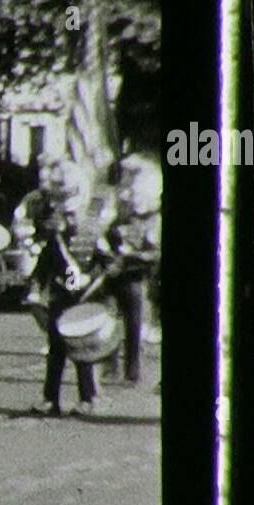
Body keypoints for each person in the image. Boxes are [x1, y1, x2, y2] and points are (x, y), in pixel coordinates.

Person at [27, 204, 99, 418]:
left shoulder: (92, 240)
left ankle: (87, 399)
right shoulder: (54, 241)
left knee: (82, 352)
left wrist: (91, 278)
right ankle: (51, 400)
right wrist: (34, 291)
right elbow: (41, 269)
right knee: (55, 353)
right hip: (60, 301)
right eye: (67, 215)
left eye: (74, 214)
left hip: (83, 301)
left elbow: (107, 265)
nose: (70, 219)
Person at [96, 154, 162, 385]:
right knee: (107, 321)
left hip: (134, 277)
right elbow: (99, 235)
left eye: (129, 178)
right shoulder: (115, 209)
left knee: (133, 326)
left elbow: (155, 254)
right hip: (110, 274)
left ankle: (132, 373)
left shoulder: (152, 218)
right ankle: (109, 367)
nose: (125, 185)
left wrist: (132, 255)